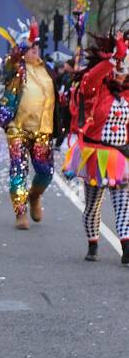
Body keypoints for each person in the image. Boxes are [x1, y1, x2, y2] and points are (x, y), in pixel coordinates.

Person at [63, 33, 129, 263]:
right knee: (93, 205)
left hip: (120, 156)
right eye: (118, 68)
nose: (121, 74)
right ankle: (93, 244)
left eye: (124, 68)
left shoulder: (128, 95)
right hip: (95, 155)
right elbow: (90, 78)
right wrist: (112, 59)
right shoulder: (96, 91)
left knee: (123, 205)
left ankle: (126, 247)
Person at [0, 23, 58, 229]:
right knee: (18, 170)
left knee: (45, 172)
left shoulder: (47, 69)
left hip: (43, 130)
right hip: (17, 127)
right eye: (30, 47)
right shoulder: (15, 67)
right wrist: (23, 45)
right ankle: (20, 213)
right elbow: (10, 60)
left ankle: (34, 196)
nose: (34, 49)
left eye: (36, 46)